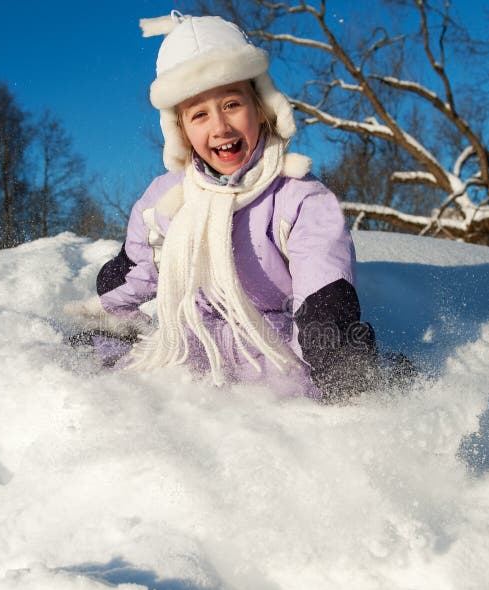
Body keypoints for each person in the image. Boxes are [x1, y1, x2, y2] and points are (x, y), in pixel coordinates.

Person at [69, 11, 404, 402]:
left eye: (231, 104)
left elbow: (322, 284)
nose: (220, 127)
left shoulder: (298, 197)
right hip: (194, 349)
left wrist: (334, 352)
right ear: (181, 131)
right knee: (115, 374)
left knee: (312, 395)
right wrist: (110, 308)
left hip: (276, 353)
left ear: (261, 107)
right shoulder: (168, 198)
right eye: (199, 114)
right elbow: (142, 268)